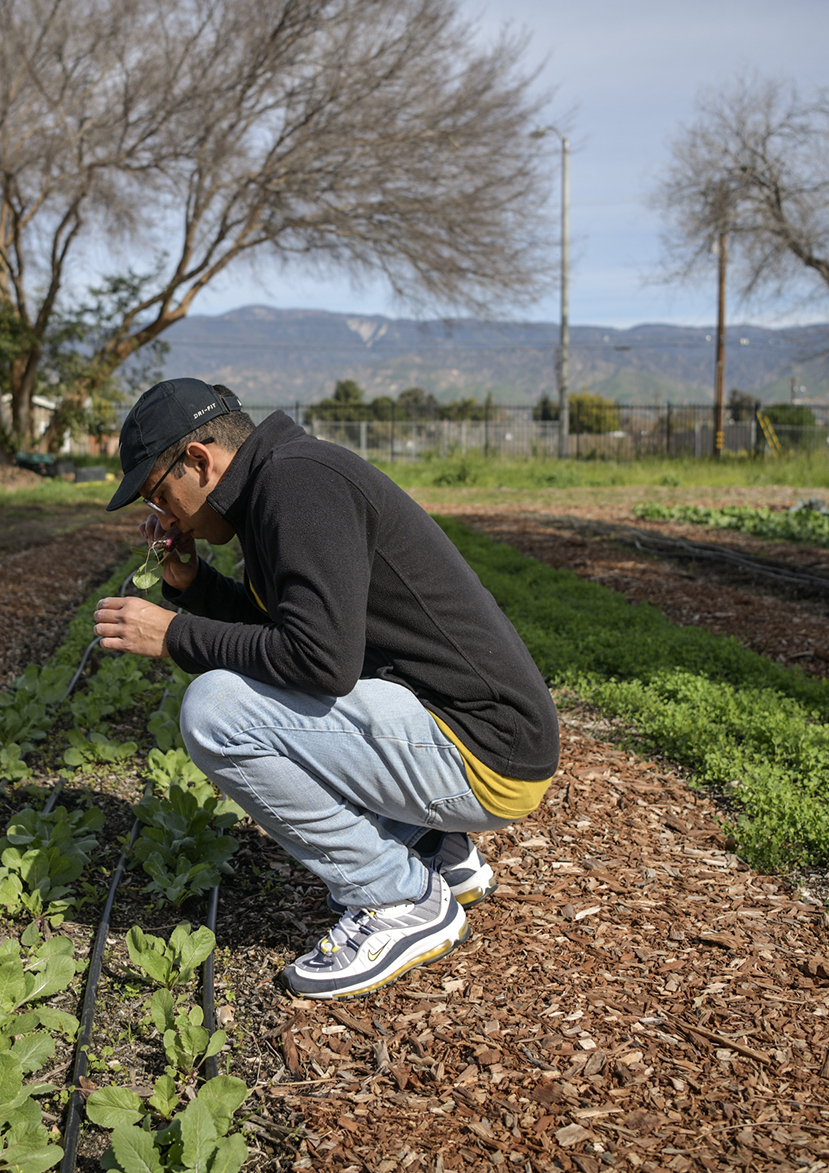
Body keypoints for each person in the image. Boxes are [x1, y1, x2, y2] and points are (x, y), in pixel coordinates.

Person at [93, 378, 559, 999]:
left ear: (199, 462)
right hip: (473, 730)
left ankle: (399, 896)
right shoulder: (280, 480)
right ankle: (436, 846)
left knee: (214, 711)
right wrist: (191, 587)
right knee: (243, 696)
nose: (162, 517)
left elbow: (319, 661)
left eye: (159, 494)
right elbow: (287, 641)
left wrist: (175, 633)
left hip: (484, 749)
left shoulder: (299, 484)